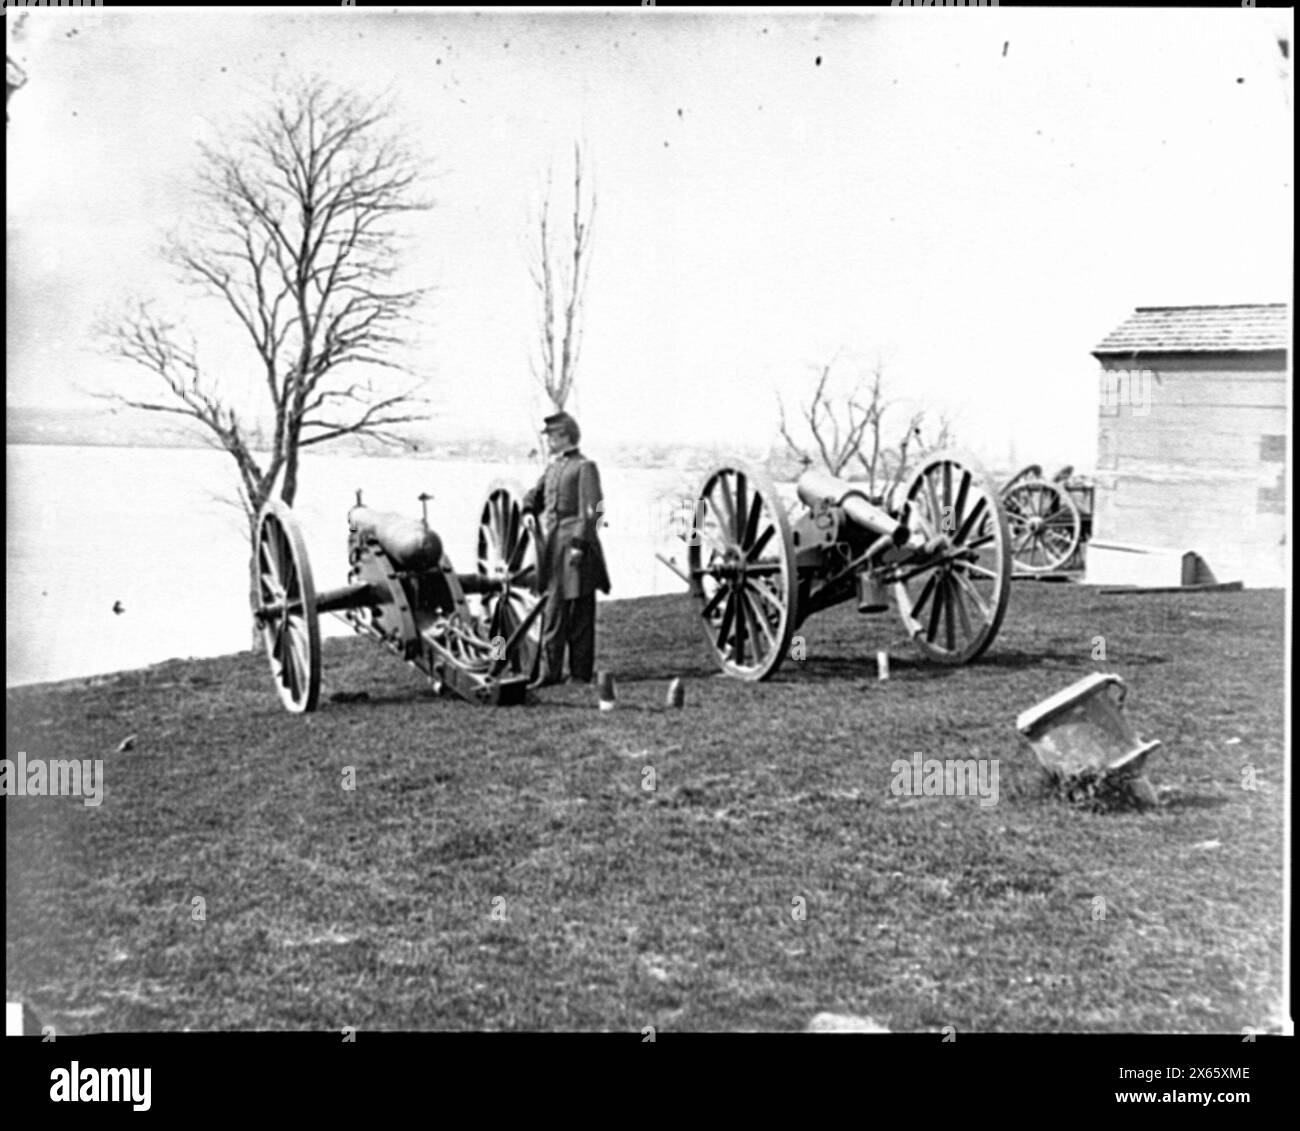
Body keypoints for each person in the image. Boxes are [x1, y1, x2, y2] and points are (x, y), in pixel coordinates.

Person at [522, 411, 611, 687]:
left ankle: (580, 674)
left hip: (577, 549)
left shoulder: (585, 467)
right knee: (554, 609)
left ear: (564, 436)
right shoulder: (553, 468)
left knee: (580, 613)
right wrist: (527, 510)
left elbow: (595, 509)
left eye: (551, 436)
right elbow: (534, 495)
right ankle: (550, 673)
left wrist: (579, 544)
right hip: (553, 548)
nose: (548, 441)